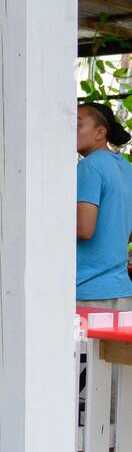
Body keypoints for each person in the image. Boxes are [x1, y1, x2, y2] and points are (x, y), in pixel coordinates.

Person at [76, 100, 132, 309]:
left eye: (77, 125)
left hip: (88, 291)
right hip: (122, 291)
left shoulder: (90, 166)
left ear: (100, 132)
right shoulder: (126, 168)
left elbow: (84, 229)